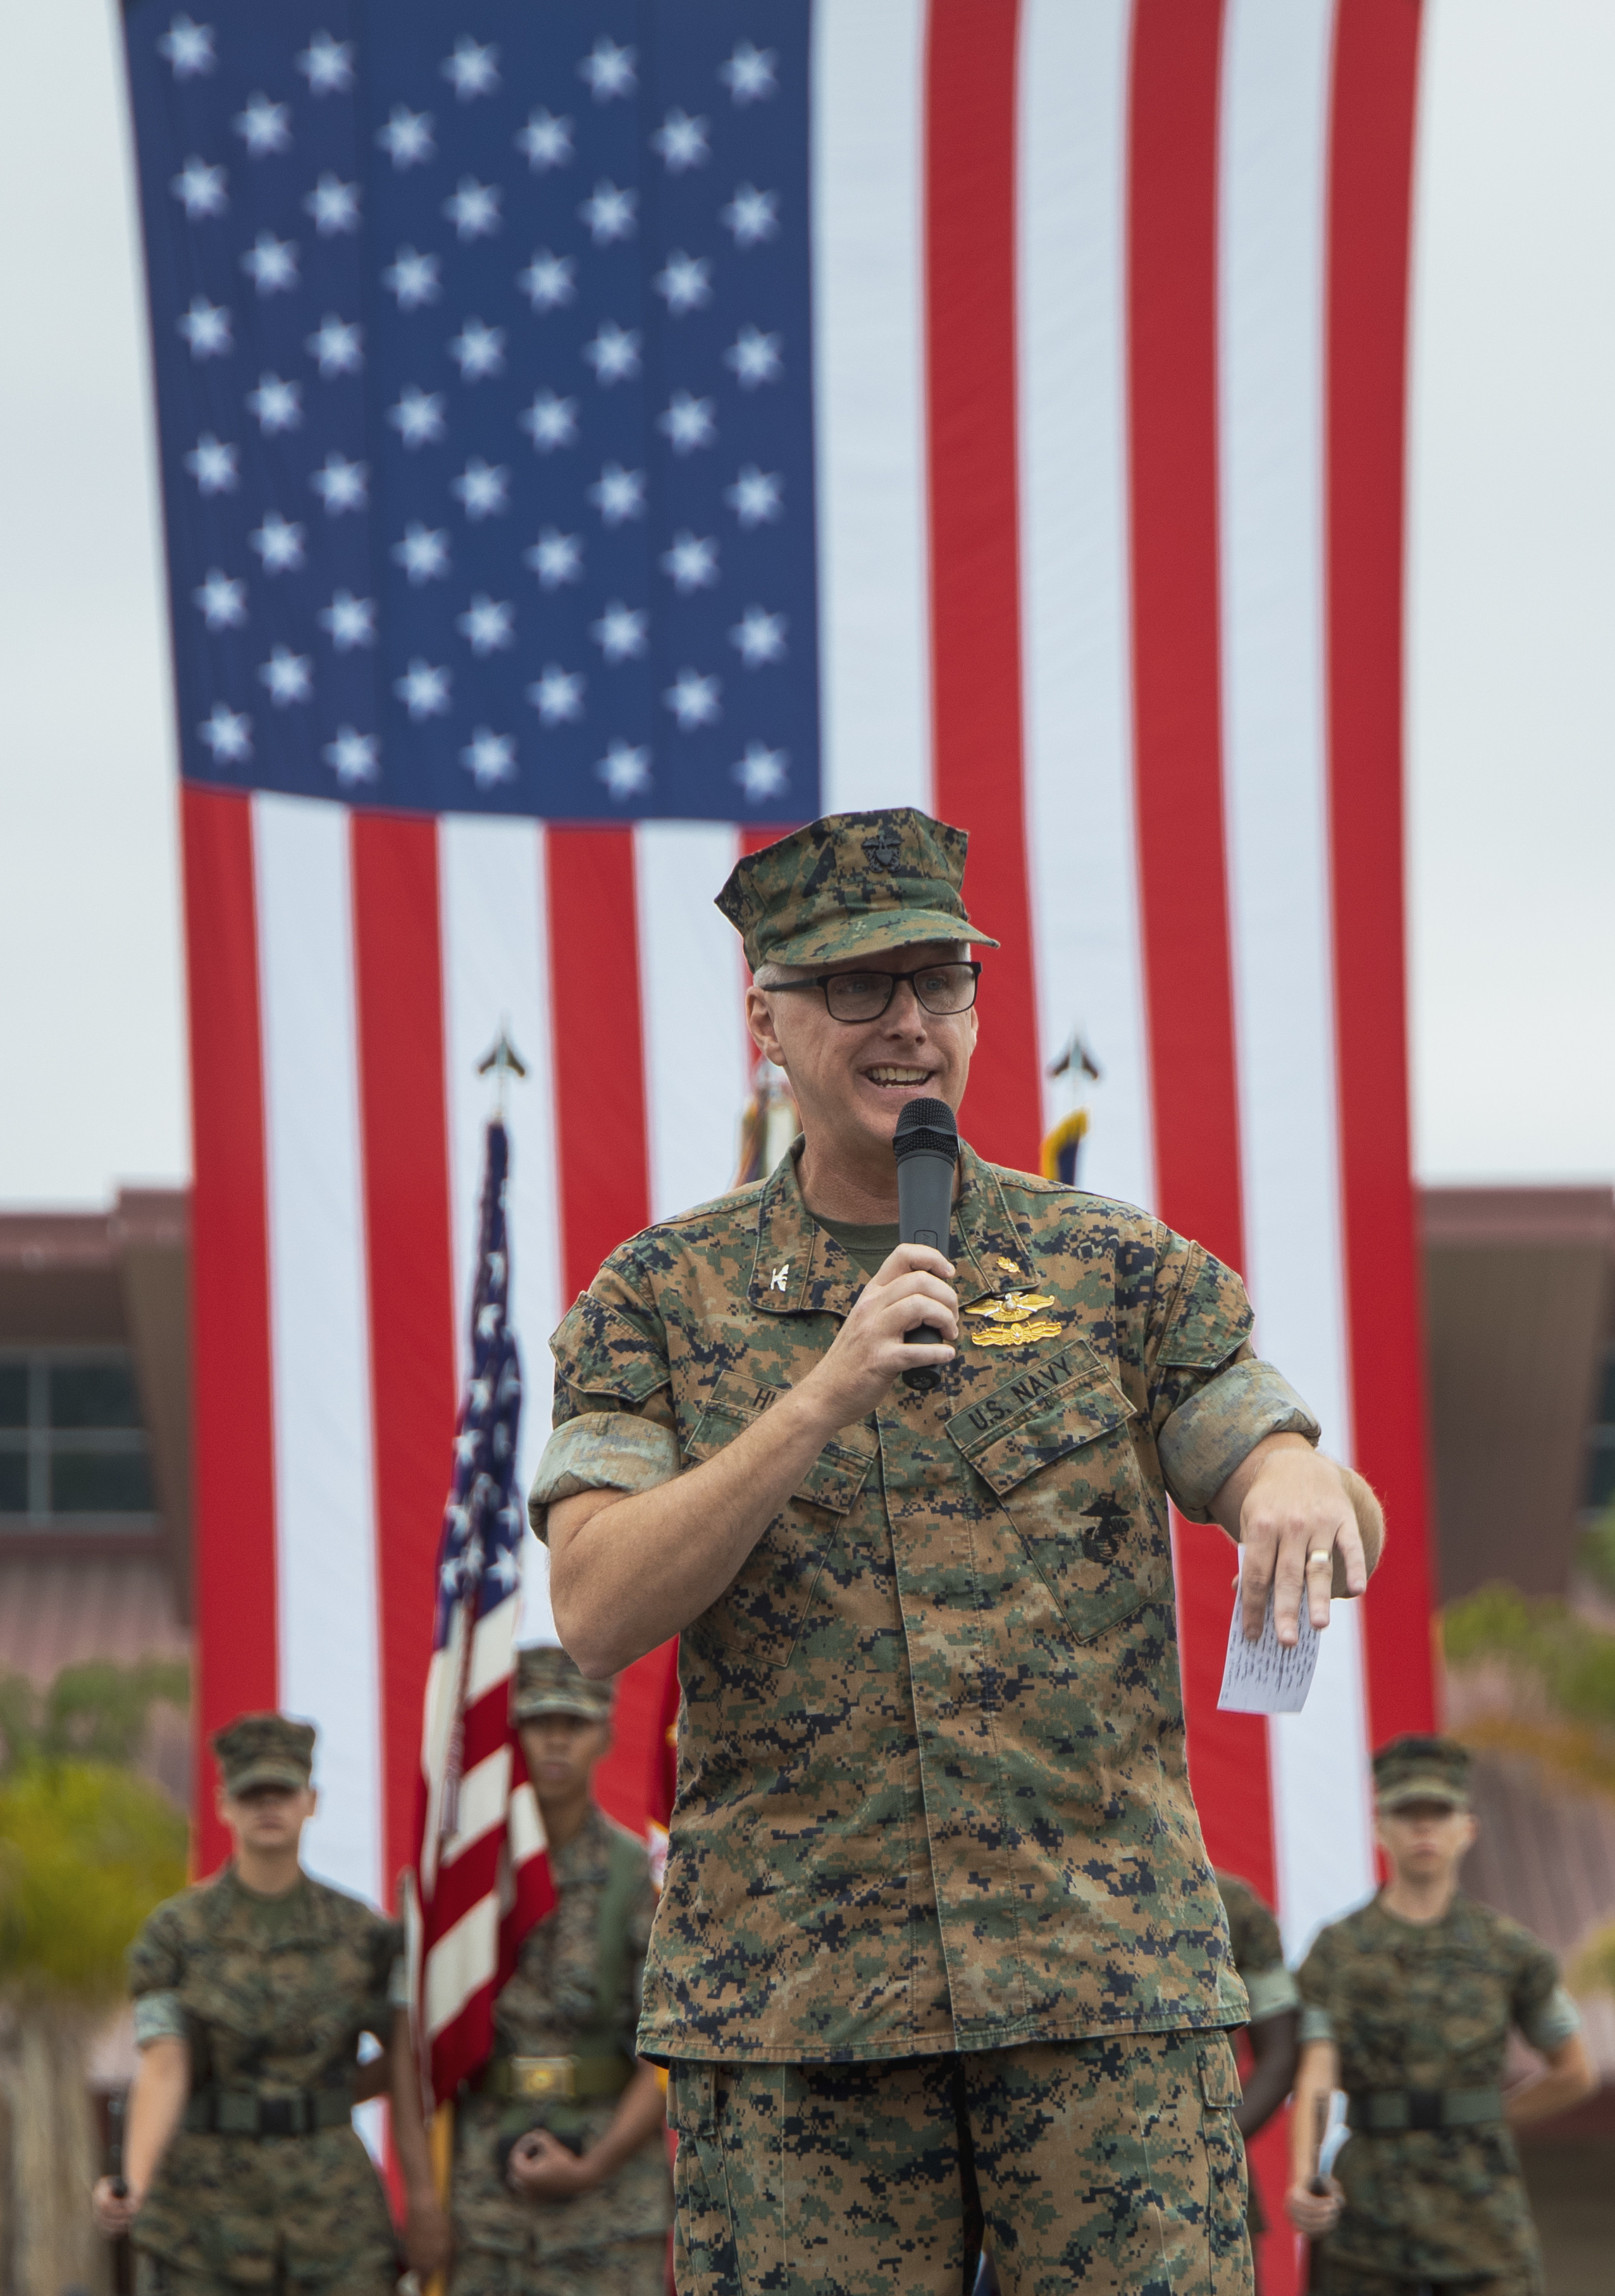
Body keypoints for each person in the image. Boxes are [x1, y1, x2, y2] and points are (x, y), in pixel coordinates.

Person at [532, 805, 1385, 2296]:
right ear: (767, 1021)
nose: (908, 1024)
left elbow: (1267, 1454)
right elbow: (596, 1609)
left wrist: (1296, 1477)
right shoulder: (658, 1298)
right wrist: (821, 1395)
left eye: (939, 980)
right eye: (857, 986)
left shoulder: (1109, 1267)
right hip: (799, 2018)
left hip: (1100, 1997)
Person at [92, 1711, 447, 2295]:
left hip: (334, 2216)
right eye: (250, 1793)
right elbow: (163, 2066)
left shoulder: (362, 1935)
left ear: (311, 1801)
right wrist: (136, 2181)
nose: (267, 1806)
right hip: (207, 2219)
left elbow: (405, 2070)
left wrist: (424, 2200)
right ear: (223, 1805)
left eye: (281, 1790)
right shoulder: (177, 1934)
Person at [1286, 1733, 1597, 2295]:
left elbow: (1574, 2070)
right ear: (1380, 1827)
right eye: (1407, 1812)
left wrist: (1489, 2116)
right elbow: (1316, 2074)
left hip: (1480, 2218)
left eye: (1440, 1811)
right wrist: (1302, 2177)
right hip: (1370, 2221)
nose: (1423, 1827)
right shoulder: (1337, 1950)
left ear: (1467, 1828)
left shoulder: (1509, 1949)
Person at [449, 1645, 671, 2296]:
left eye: (573, 1723)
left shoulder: (638, 1880)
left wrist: (592, 2165)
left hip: (610, 2195)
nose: (554, 1740)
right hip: (488, 2190)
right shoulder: (468, 1883)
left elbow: (664, 2054)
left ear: (605, 1735)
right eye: (538, 1721)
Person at [1215, 1872, 1301, 2288]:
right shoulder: (1032, 1885)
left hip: (1209, 2197)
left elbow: (1280, 2055)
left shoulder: (1227, 1902)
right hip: (1058, 2192)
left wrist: (1212, 2141)